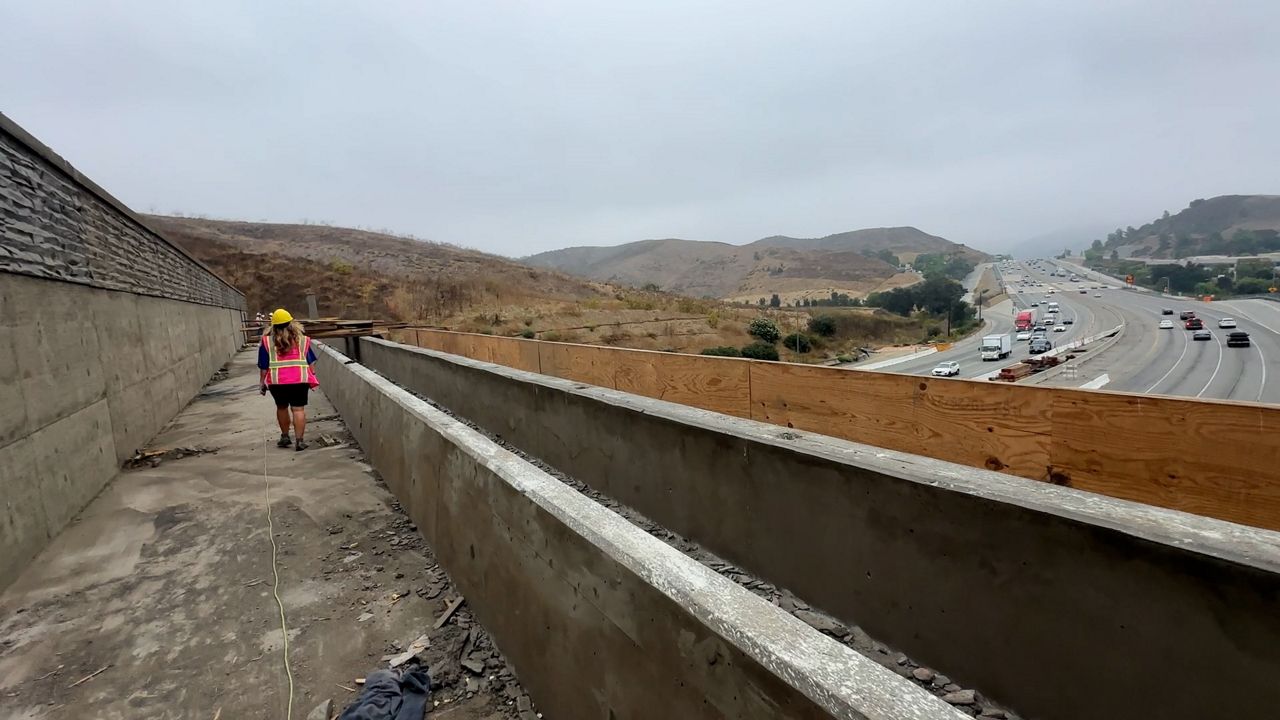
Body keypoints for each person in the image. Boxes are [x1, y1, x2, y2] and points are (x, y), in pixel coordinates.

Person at [258, 308, 319, 451]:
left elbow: (263, 366)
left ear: (273, 326)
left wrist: (262, 383)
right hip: (299, 380)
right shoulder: (302, 340)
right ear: (291, 324)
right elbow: (310, 361)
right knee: (298, 409)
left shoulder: (267, 342)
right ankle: (299, 441)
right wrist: (312, 375)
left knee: (281, 407)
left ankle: (285, 437)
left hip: (277, 382)